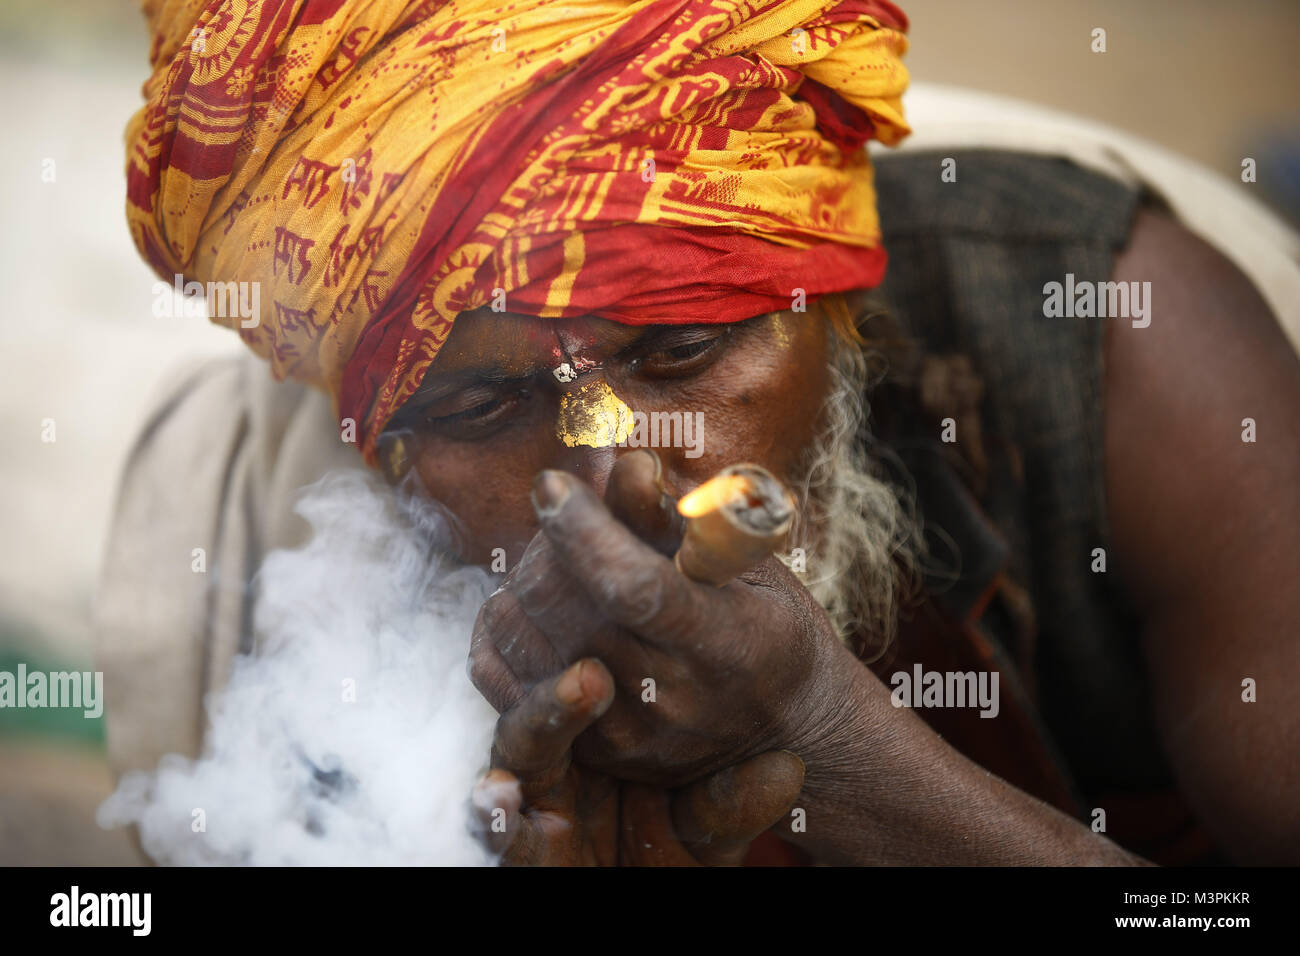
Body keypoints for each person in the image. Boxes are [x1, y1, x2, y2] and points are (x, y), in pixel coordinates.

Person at [100, 0, 1300, 865]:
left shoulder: (1120, 335)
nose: (617, 464)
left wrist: (827, 742)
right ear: (383, 446)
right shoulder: (256, 523)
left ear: (833, 305)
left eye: (679, 351)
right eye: (483, 407)